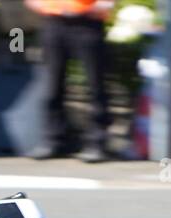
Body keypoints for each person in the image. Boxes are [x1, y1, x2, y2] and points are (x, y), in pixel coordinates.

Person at [27, 0, 114, 162]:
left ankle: (97, 143)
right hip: (54, 21)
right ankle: (53, 140)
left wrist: (104, 4)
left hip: (88, 22)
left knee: (96, 86)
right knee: (52, 87)